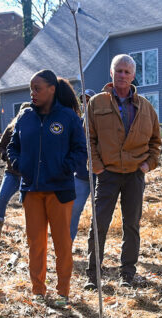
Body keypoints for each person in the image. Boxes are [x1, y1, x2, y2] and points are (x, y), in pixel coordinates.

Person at [6, 69, 87, 308]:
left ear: (52, 89)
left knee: (62, 244)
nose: (32, 93)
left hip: (60, 191)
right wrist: (20, 164)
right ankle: (38, 291)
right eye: (31, 89)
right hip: (31, 190)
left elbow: (80, 150)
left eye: (37, 88)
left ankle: (63, 292)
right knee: (36, 243)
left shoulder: (68, 117)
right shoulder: (25, 117)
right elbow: (13, 146)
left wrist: (65, 168)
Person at [84, 54, 162, 290]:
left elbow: (156, 143)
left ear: (134, 76)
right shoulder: (96, 103)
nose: (122, 75)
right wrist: (97, 166)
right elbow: (88, 139)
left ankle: (127, 275)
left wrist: (148, 165)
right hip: (107, 174)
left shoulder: (146, 108)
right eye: (118, 71)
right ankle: (92, 276)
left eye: (127, 72)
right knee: (98, 224)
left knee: (132, 226)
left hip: (134, 175)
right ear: (111, 73)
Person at [0, 103, 29, 245]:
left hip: (28, 174)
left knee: (28, 204)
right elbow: (0, 146)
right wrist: (5, 156)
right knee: (1, 198)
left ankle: (30, 234)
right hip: (11, 173)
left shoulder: (35, 128)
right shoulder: (11, 128)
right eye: (22, 113)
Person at [69, 90, 95, 243]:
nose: (86, 103)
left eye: (89, 100)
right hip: (81, 175)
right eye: (83, 100)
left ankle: (95, 248)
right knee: (74, 209)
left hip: (100, 174)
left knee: (99, 213)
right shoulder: (78, 123)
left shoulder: (102, 121)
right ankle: (68, 243)